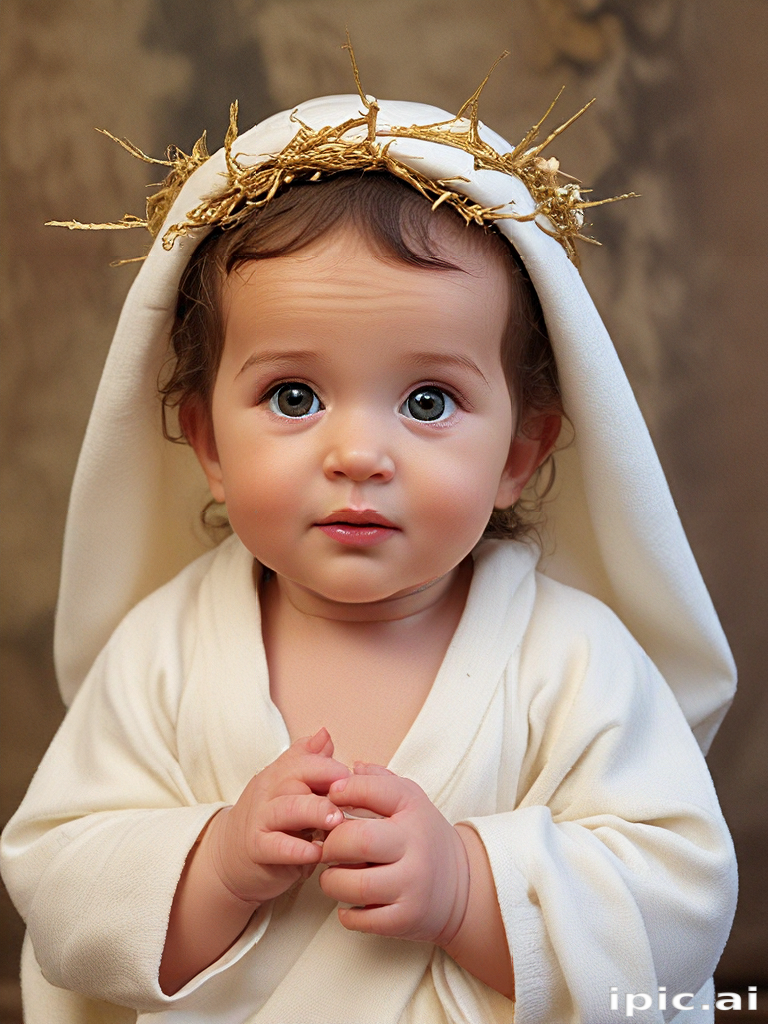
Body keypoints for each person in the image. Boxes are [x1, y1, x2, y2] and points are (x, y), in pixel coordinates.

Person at [0, 78, 737, 1024]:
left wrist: (469, 889)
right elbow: (63, 882)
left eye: (428, 401)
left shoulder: (575, 659)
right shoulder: (163, 653)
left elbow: (678, 906)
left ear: (520, 452)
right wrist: (212, 866)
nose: (357, 454)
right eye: (295, 396)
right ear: (210, 444)